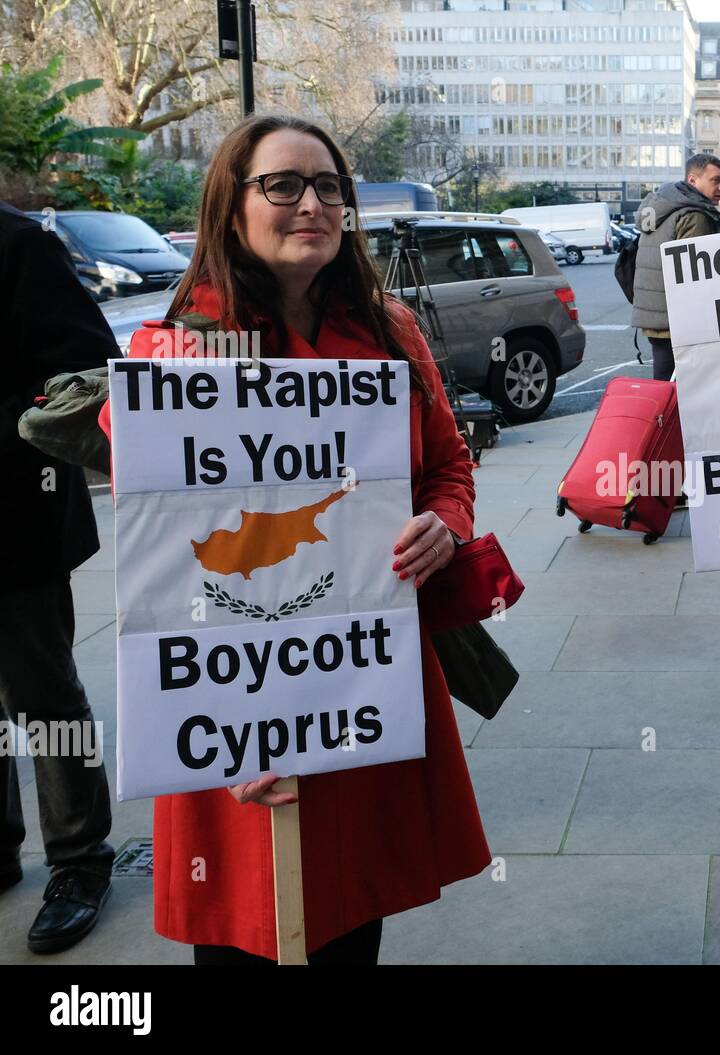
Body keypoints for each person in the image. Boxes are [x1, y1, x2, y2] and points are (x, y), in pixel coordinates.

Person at [98, 114, 491, 965]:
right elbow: (152, 540)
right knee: (248, 940)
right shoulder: (175, 349)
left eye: (327, 187)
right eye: (282, 184)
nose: (310, 202)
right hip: (234, 712)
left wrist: (445, 527)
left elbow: (450, 469)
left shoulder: (391, 331)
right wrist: (224, 726)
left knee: (350, 930)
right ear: (231, 206)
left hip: (358, 689)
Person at [0, 202, 118, 954]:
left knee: (42, 693)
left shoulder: (20, 243)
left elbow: (84, 369)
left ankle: (79, 860)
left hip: (15, 518)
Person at [630, 153, 720, 380]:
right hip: (681, 321)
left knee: (665, 383)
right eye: (715, 180)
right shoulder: (695, 216)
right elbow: (696, 277)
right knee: (682, 392)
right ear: (693, 181)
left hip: (656, 316)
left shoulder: (661, 208)